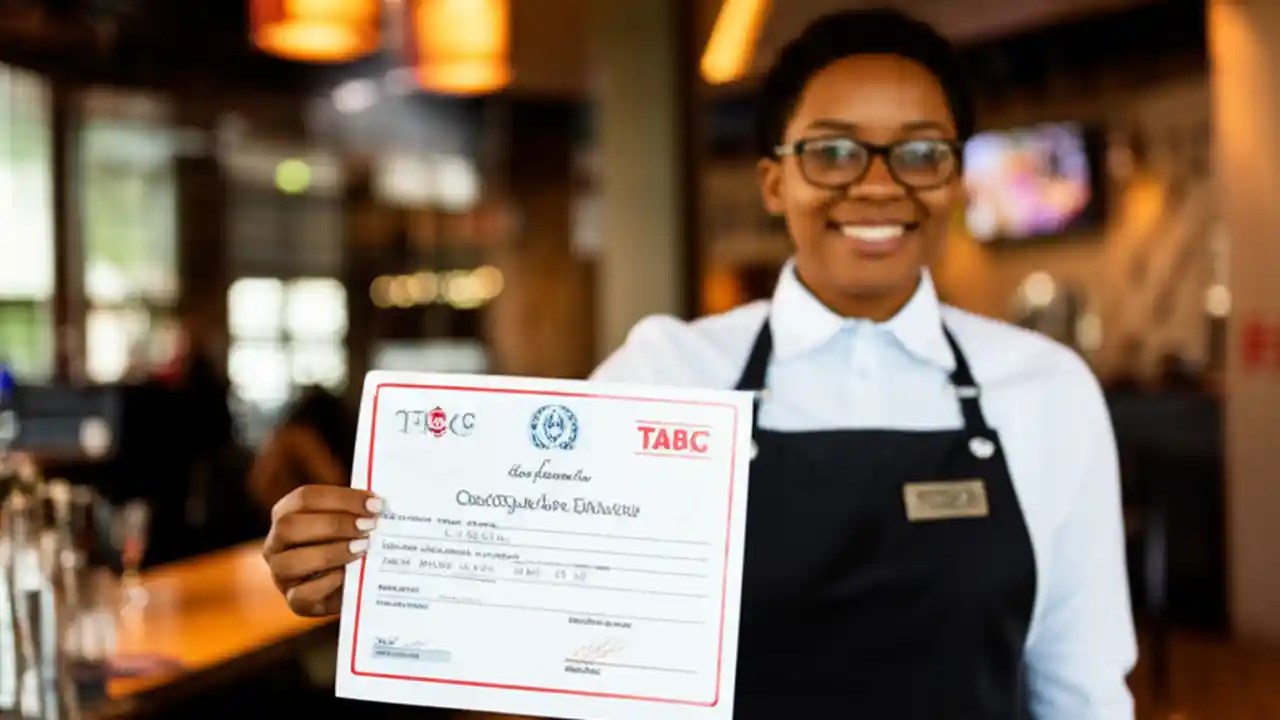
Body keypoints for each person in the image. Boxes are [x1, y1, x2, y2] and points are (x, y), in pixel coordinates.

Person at [260, 8, 1137, 718]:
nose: (877, 183)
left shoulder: (1045, 390)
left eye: (919, 151)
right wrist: (374, 567)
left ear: (953, 178)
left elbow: (1083, 690)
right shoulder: (668, 370)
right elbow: (540, 596)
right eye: (831, 150)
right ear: (772, 181)